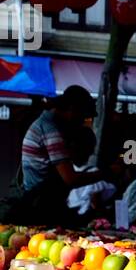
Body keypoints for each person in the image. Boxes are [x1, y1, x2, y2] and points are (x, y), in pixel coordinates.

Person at [0, 86, 96, 223]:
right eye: (82, 117)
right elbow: (70, 178)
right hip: (38, 207)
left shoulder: (48, 124)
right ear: (72, 109)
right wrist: (103, 174)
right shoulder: (50, 130)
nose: (82, 122)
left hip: (41, 203)